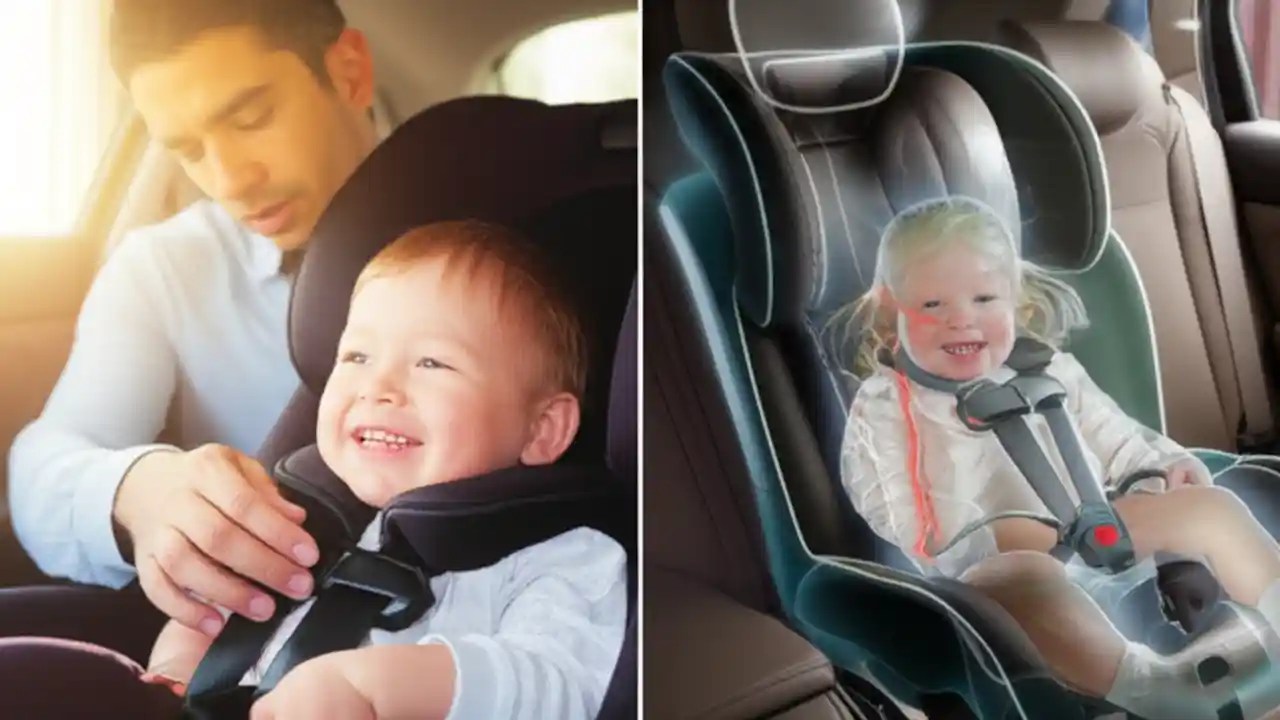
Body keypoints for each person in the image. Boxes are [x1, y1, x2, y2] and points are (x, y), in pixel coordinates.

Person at [0, 220, 627, 720]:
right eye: (355, 355)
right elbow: (206, 622)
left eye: (432, 364)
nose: (376, 386)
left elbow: (569, 682)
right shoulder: (297, 517)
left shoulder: (560, 557)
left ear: (542, 429)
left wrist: (375, 688)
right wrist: (177, 676)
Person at [7, 0, 377, 638]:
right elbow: (42, 468)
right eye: (187, 148)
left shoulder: (504, 240)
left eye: (252, 118)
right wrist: (139, 490)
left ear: (347, 73)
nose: (230, 179)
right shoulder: (167, 266)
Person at [839, 196, 1280, 719]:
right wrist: (977, 535)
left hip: (1101, 526)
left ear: (1015, 302)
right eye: (934, 305)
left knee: (1210, 507)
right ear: (892, 310)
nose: (962, 320)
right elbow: (893, 508)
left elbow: (1117, 436)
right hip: (993, 566)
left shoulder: (1051, 372)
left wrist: (1163, 466)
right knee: (1017, 579)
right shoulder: (888, 404)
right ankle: (1158, 691)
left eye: (984, 298)